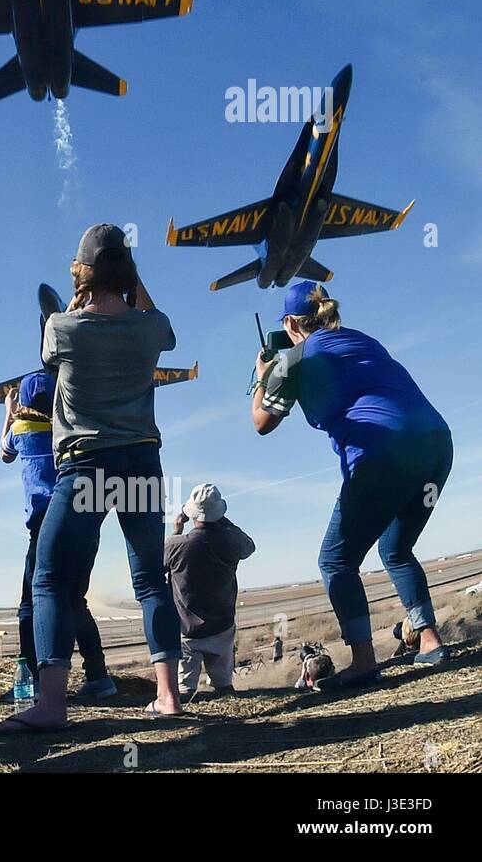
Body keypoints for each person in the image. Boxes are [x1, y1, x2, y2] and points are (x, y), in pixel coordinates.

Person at [0, 224, 182, 733]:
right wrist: (131, 281)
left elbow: (49, 359)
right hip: (141, 461)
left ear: (81, 271)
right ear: (126, 270)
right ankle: (168, 696)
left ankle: (51, 705)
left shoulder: (61, 327)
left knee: (52, 579)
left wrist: (84, 296)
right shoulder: (151, 328)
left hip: (85, 466)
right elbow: (163, 329)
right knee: (149, 581)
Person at [252, 282, 453, 690]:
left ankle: (364, 661)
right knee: (395, 548)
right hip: (436, 443)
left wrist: (262, 377)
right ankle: (429, 641)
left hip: (383, 453)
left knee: (336, 561)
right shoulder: (363, 340)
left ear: (290, 322)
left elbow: (262, 423)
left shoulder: (294, 358)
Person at [0, 373, 116, 699]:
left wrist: (8, 412)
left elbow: (4, 454)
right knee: (75, 600)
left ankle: (32, 679)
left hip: (44, 524)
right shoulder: (71, 431)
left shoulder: (21, 430)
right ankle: (98, 675)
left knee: (29, 604)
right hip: (82, 520)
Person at [164, 483, 255, 699]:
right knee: (225, 688)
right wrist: (223, 520)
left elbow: (159, 563)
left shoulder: (177, 545)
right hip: (222, 625)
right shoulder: (231, 540)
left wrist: (176, 530)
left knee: (184, 691)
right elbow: (249, 546)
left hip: (187, 629)